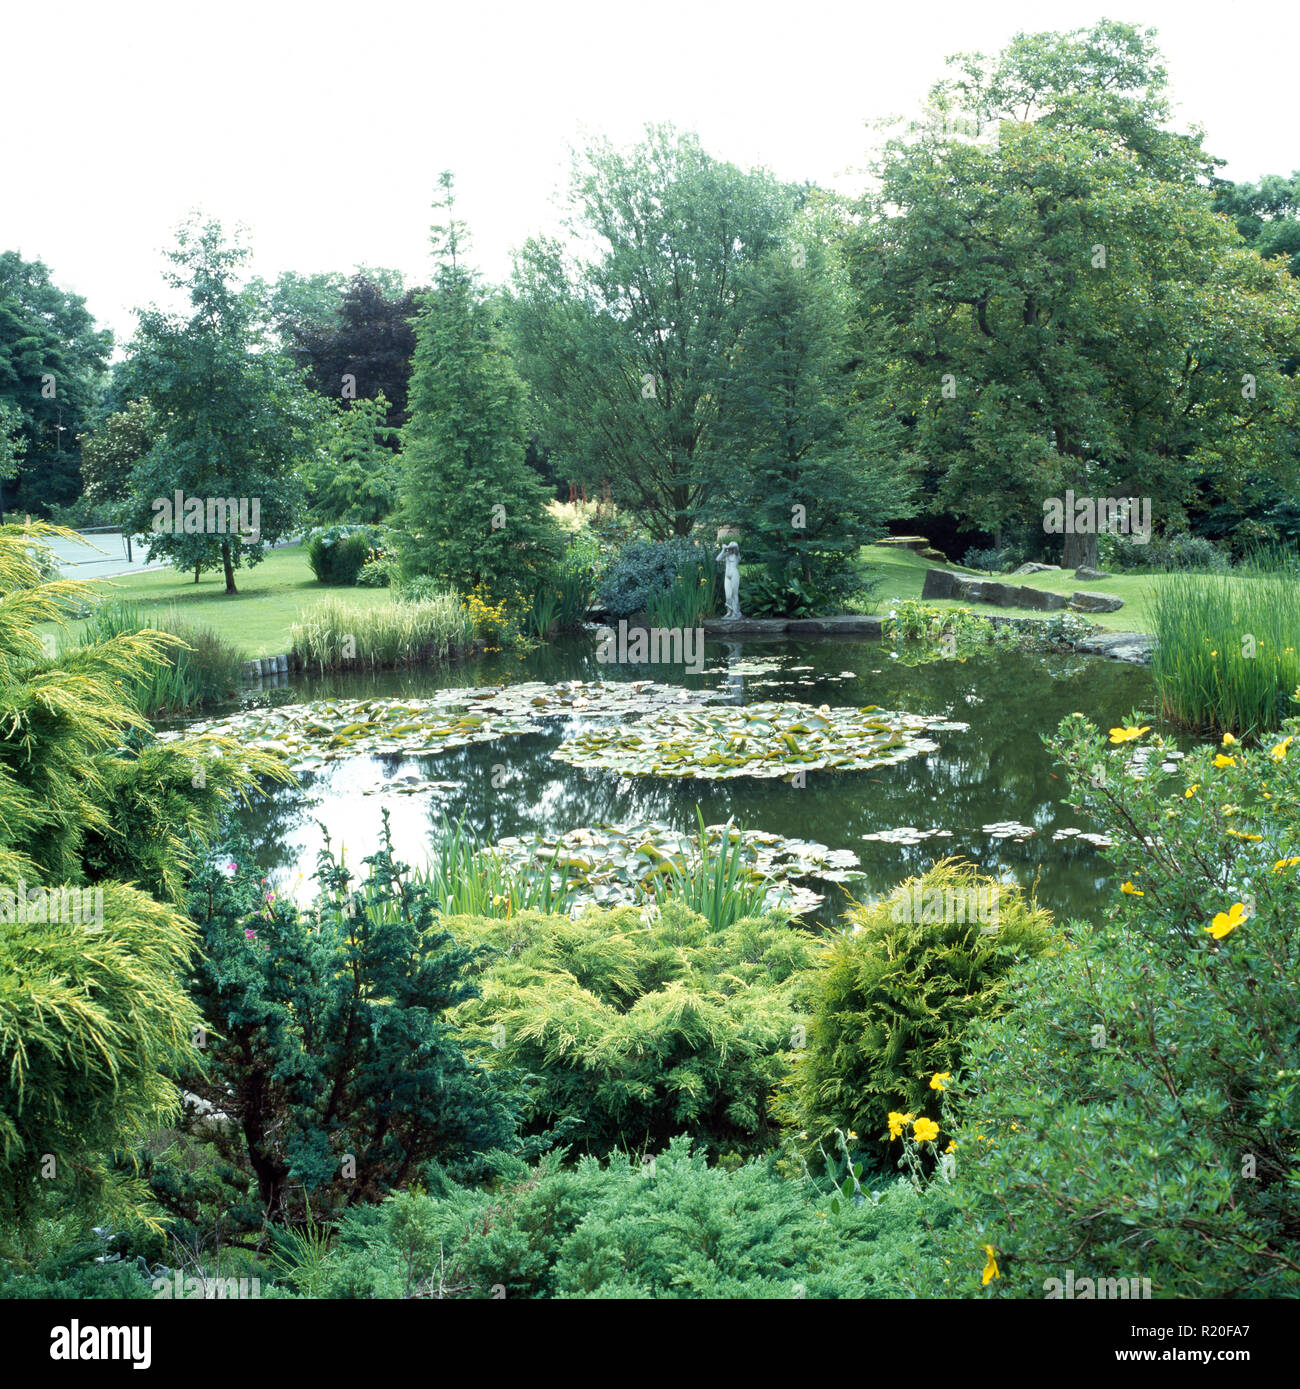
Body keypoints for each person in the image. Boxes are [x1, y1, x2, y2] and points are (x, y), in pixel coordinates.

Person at [715, 541, 741, 619]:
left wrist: (728, 546)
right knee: (728, 595)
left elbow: (736, 547)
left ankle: (735, 612)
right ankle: (729, 612)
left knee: (734, 594)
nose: (730, 549)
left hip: (734, 575)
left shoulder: (737, 555)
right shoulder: (726, 555)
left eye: (731, 548)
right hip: (727, 576)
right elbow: (717, 559)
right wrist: (723, 550)